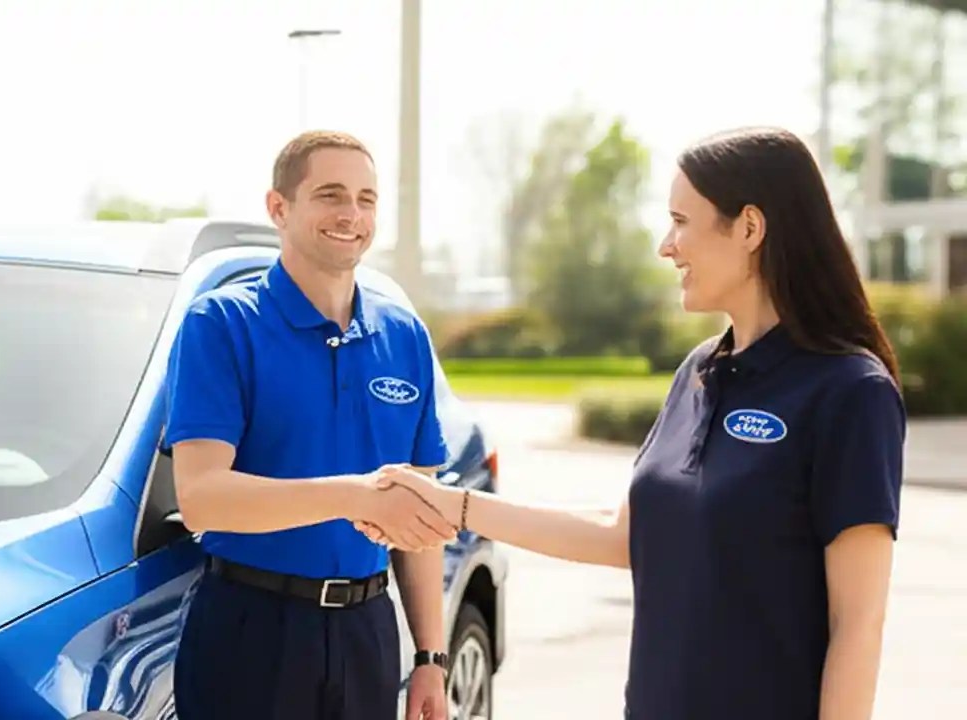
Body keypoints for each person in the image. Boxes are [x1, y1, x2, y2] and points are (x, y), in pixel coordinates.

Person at [371, 126, 907, 720]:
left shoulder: (849, 392)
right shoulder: (700, 372)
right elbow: (622, 535)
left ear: (751, 228)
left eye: (681, 221)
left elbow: (857, 622)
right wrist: (451, 505)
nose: (666, 245)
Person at [162, 129, 457, 720]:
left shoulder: (405, 336)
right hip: (252, 629)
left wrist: (429, 656)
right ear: (279, 208)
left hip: (368, 632)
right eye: (330, 194)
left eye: (366, 199)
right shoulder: (222, 324)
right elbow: (202, 499)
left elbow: (419, 520)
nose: (352, 214)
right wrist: (355, 496)